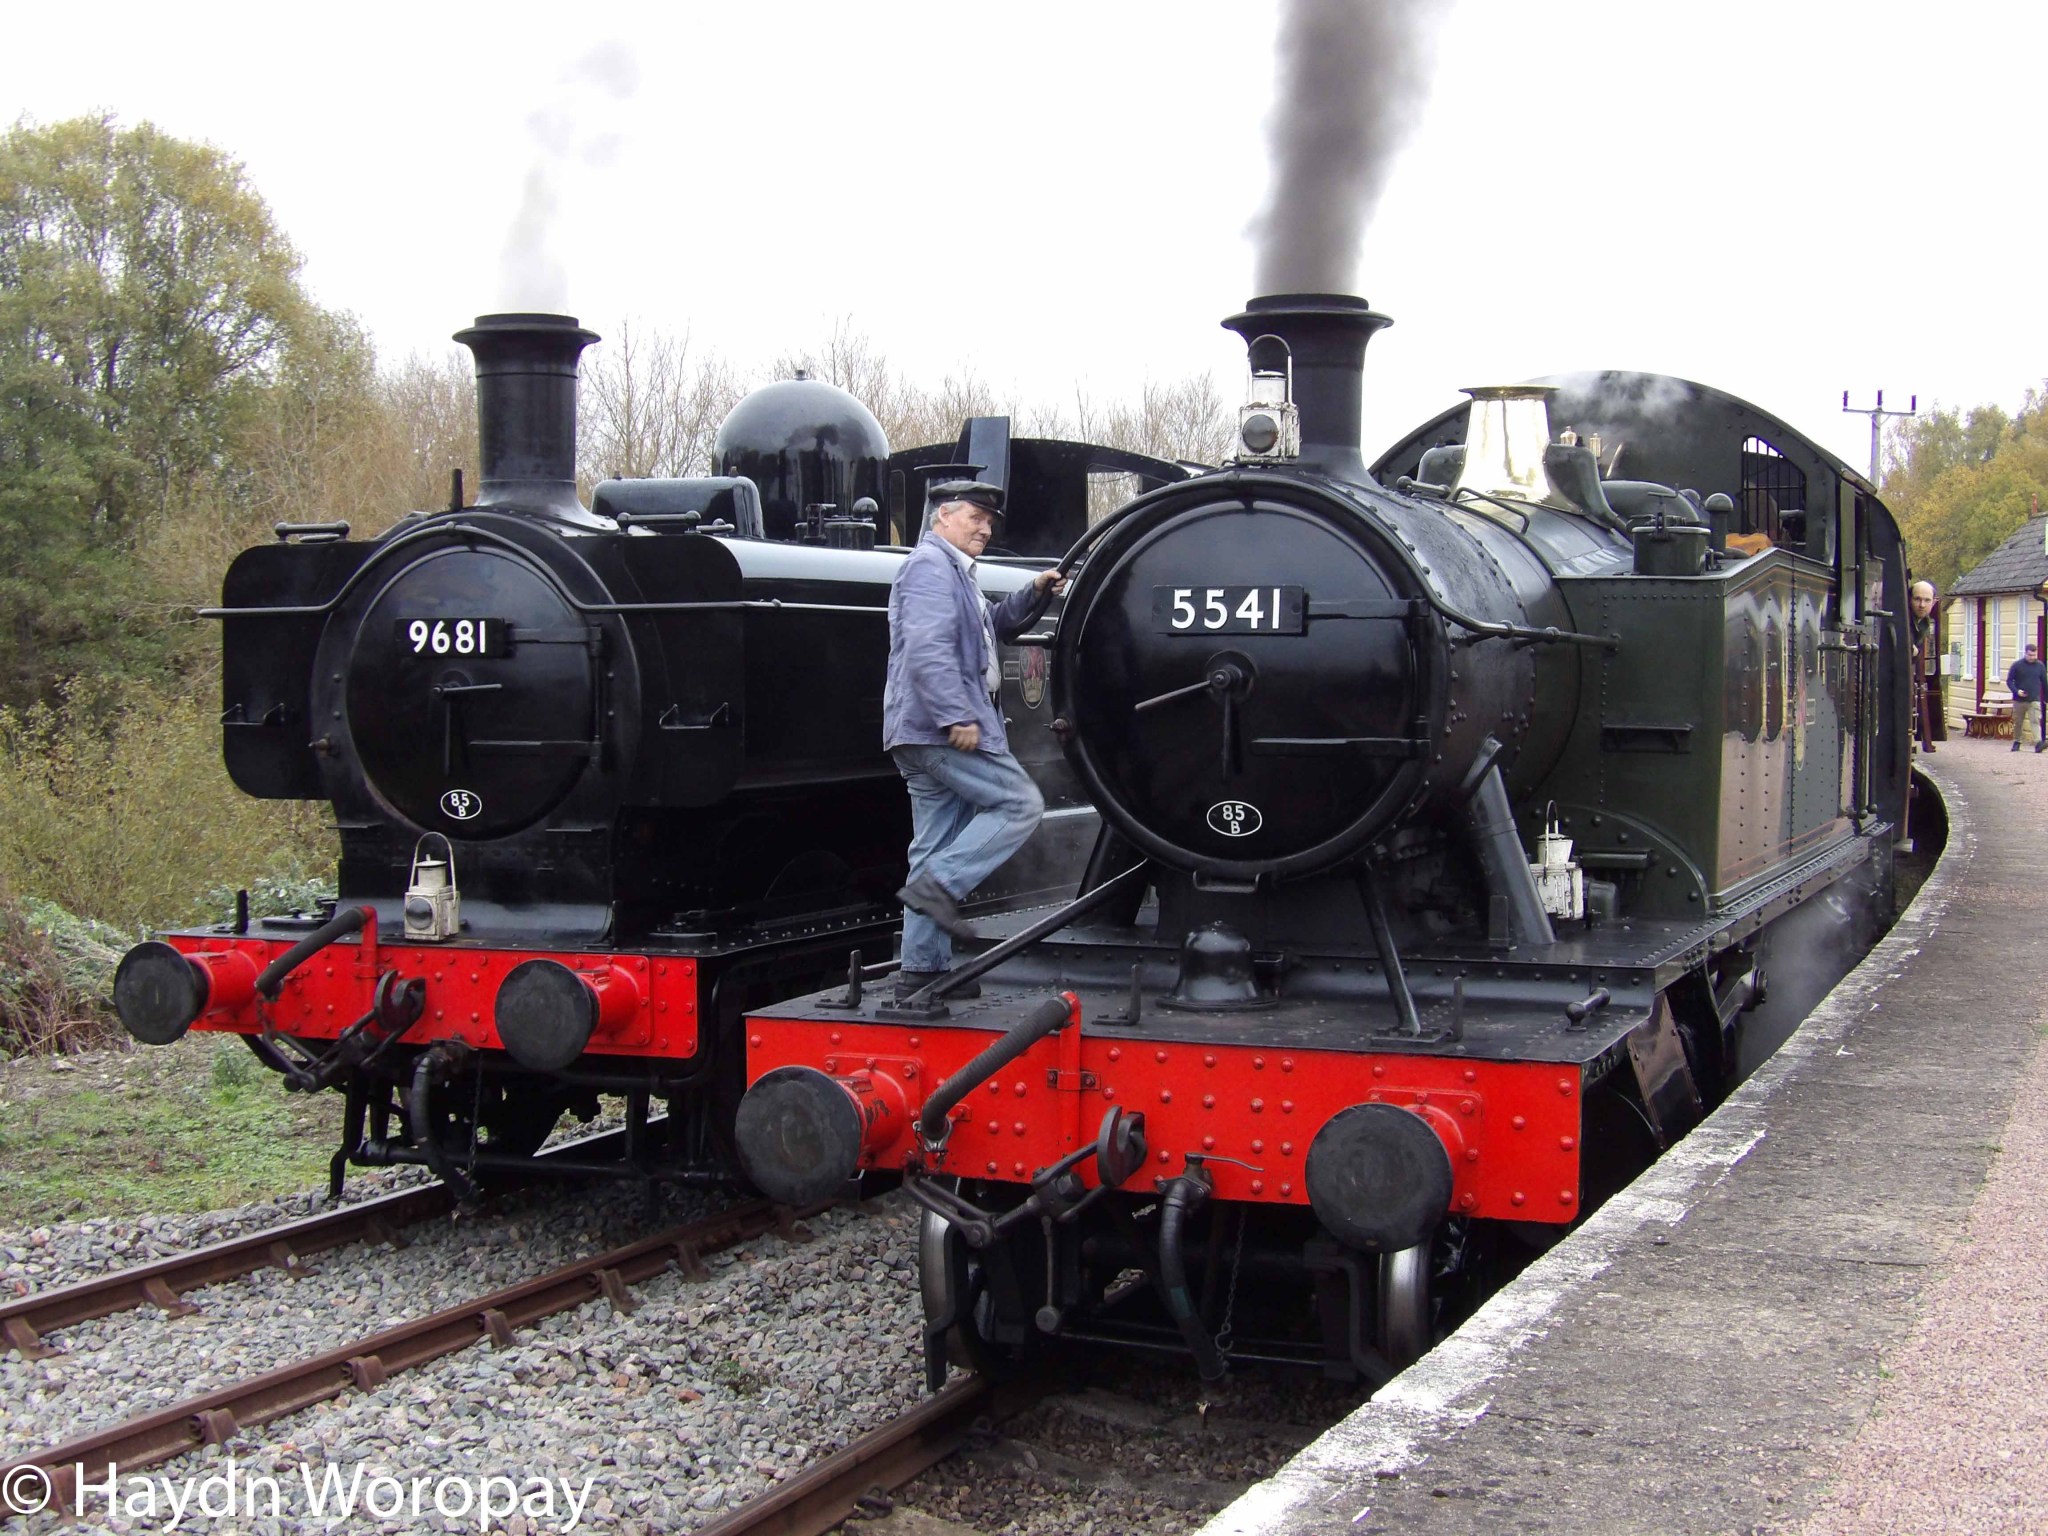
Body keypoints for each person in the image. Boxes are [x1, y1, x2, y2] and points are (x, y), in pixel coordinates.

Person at [883, 481, 1066, 1000]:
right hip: (941, 730)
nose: (985, 528)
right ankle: (939, 888)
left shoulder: (956, 573)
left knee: (934, 845)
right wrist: (956, 715)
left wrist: (1035, 591)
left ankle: (921, 972)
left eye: (989, 521)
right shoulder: (929, 568)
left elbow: (992, 627)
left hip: (920, 731)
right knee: (1020, 803)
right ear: (944, 515)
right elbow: (928, 647)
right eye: (975, 517)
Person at [1909, 580, 1947, 752]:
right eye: (1917, 599)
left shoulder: (1924, 623)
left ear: (1933, 602)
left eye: (1926, 600)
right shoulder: (1906, 621)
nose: (1922, 605)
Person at [2006, 642, 2048, 753]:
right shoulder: (2017, 665)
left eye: (2034, 655)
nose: (2032, 657)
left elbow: (2044, 682)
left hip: (2034, 699)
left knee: (2035, 721)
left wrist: (2046, 696)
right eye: (2030, 655)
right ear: (2025, 653)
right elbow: (2009, 681)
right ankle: (2017, 741)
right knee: (2018, 722)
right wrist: (2016, 691)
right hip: (2019, 700)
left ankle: (2038, 743)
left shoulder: (2040, 666)